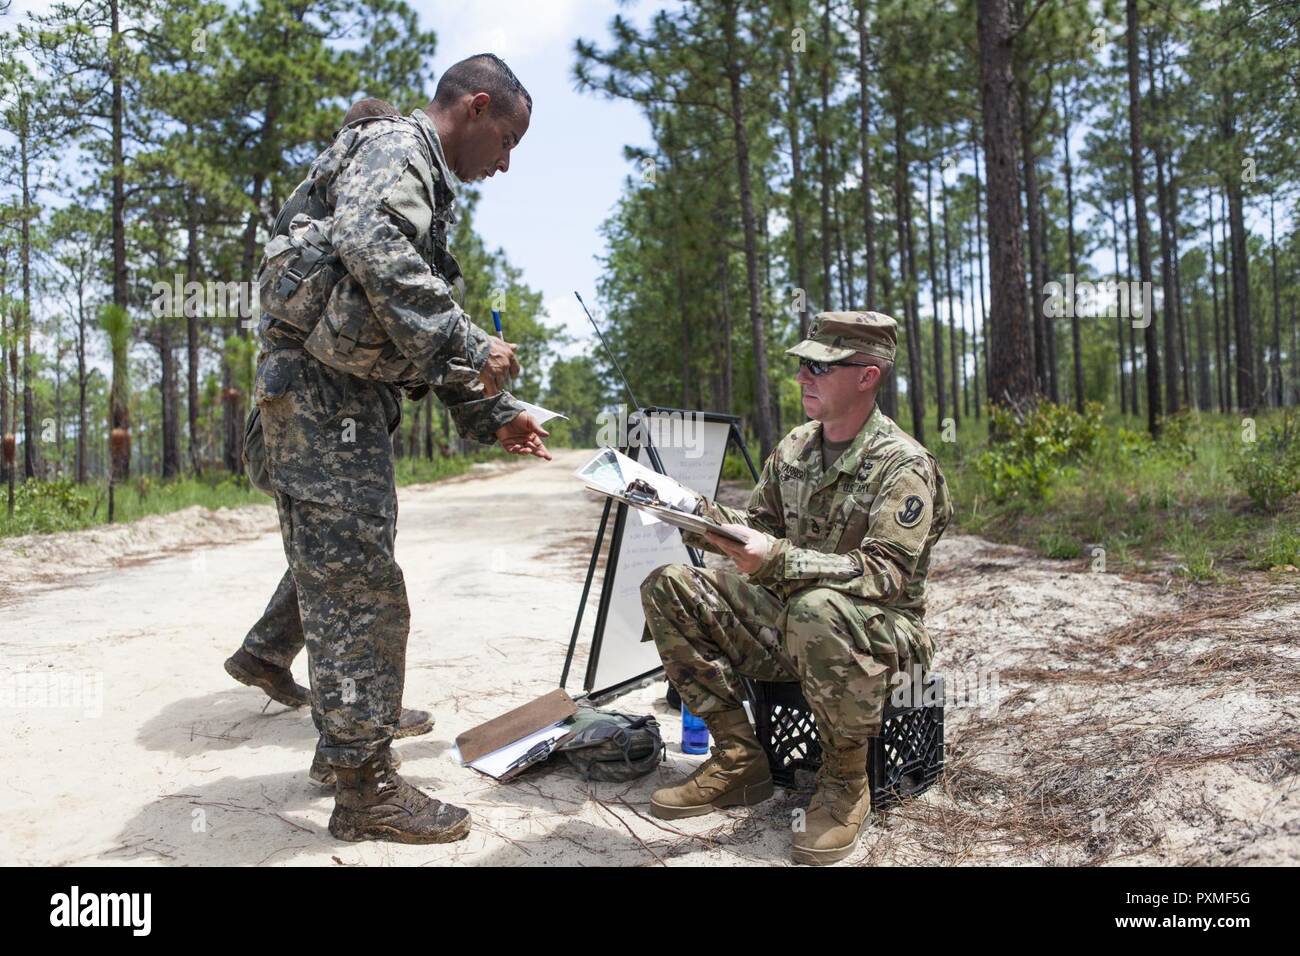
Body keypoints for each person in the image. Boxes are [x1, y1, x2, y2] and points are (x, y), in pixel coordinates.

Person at [242, 53, 549, 845]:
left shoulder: (419, 182)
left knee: (347, 578)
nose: (507, 164)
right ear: (476, 108)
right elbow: (373, 242)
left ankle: (348, 740)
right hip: (318, 397)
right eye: (508, 139)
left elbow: (407, 313)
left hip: (334, 398)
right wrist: (468, 340)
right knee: (358, 590)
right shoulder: (397, 148)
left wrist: (494, 413)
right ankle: (365, 788)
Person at [639, 311, 952, 865]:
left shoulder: (904, 465)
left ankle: (845, 784)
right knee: (671, 585)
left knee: (816, 607)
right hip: (798, 621)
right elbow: (761, 529)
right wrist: (687, 510)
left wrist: (778, 559)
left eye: (821, 366)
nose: (804, 377)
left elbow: (883, 575)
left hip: (883, 640)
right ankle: (739, 758)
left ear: (867, 376)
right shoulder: (796, 449)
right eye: (803, 364)